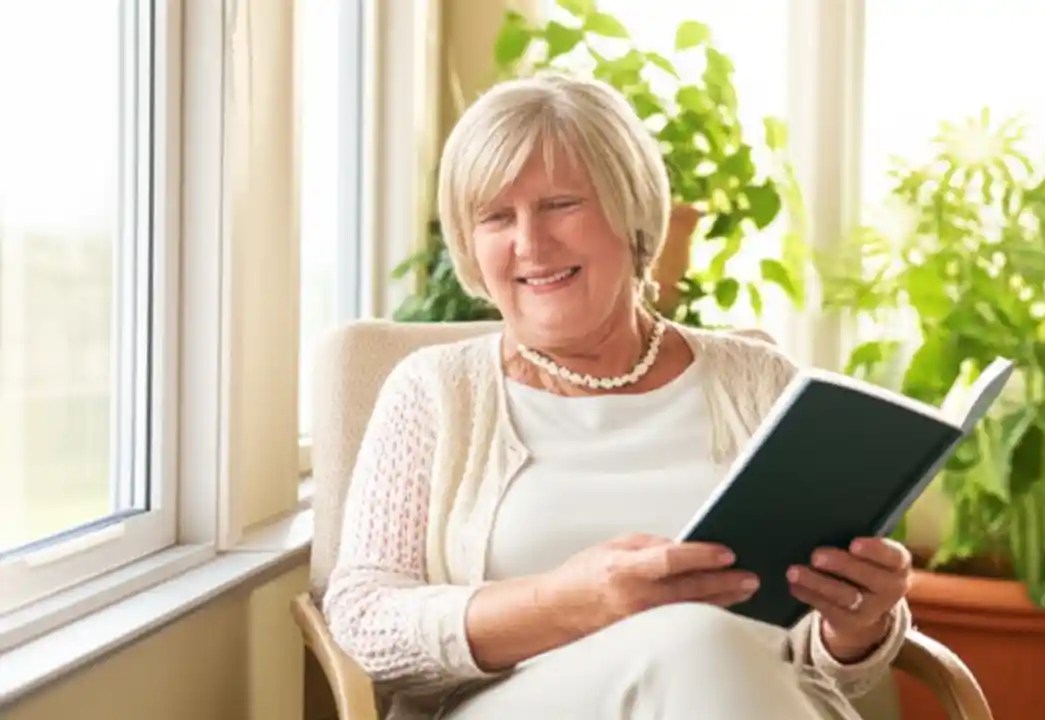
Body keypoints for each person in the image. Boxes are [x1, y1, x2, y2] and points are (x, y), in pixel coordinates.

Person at [323, 73, 913, 720]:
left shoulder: (758, 381)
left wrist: (855, 628)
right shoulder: (434, 391)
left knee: (712, 648)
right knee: (698, 636)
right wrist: (564, 603)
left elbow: (815, 656)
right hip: (511, 706)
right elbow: (365, 614)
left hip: (750, 698)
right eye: (496, 216)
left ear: (631, 210)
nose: (530, 242)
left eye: (560, 204)